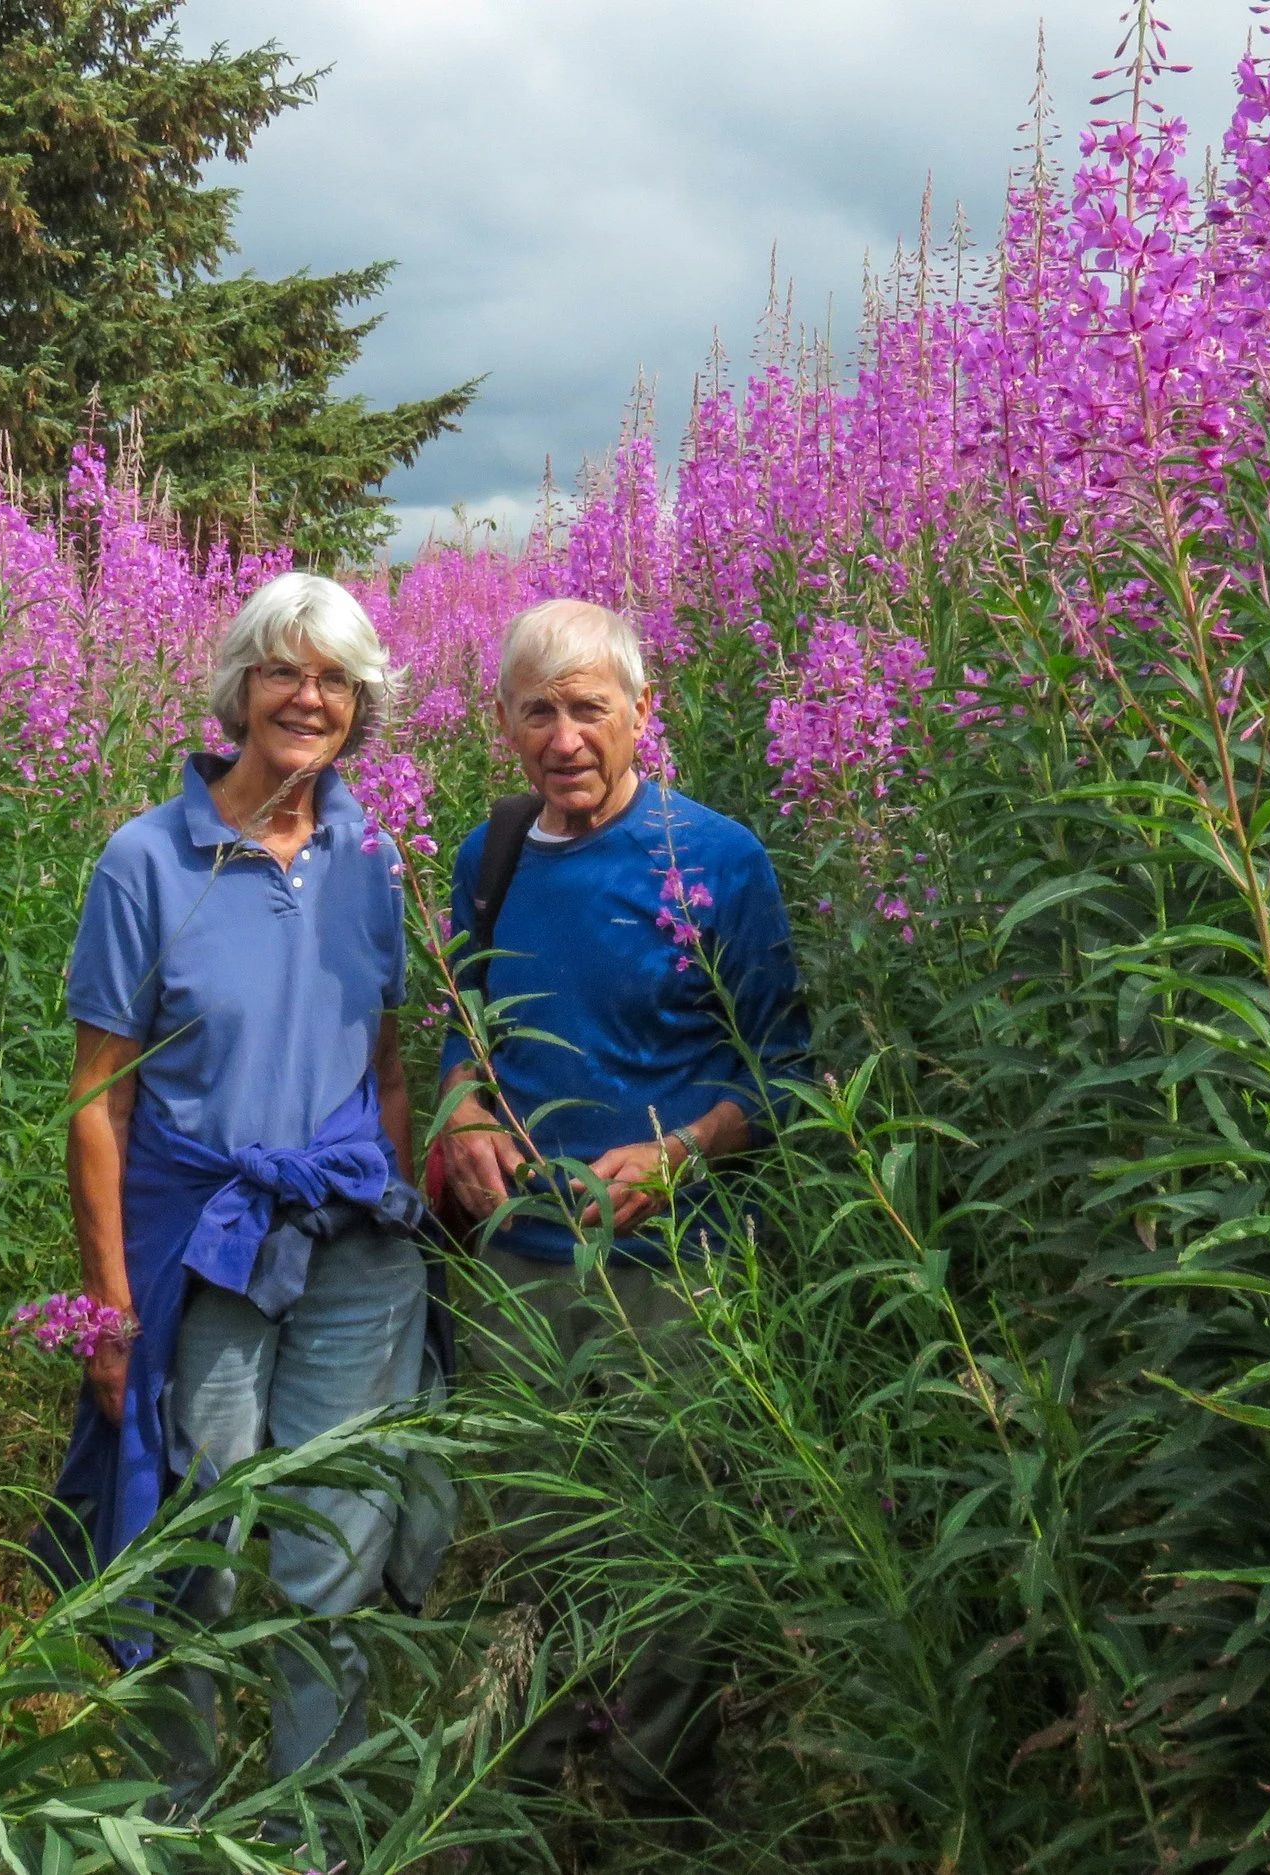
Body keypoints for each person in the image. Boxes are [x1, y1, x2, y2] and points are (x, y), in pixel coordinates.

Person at [40, 570, 438, 1792]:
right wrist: (107, 1307)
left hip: (351, 1235)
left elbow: (385, 1066)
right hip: (210, 1240)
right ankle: (181, 1817)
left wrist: (406, 1219)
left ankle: (315, 1821)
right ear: (239, 689)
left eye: (333, 679)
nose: (306, 699)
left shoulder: (373, 852)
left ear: (362, 703)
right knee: (195, 1542)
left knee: (336, 1538)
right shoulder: (148, 860)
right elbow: (96, 1105)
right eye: (282, 671)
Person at [434, 598, 810, 1809]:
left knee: (674, 1537)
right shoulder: (484, 860)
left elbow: (787, 1075)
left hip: (672, 1270)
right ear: (503, 725)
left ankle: (661, 1802)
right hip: (521, 1267)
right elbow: (463, 1028)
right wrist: (460, 1109)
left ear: (644, 712)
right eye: (536, 711)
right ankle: (535, 1793)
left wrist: (684, 1152)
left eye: (589, 707)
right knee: (537, 1540)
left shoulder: (715, 857)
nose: (563, 737)